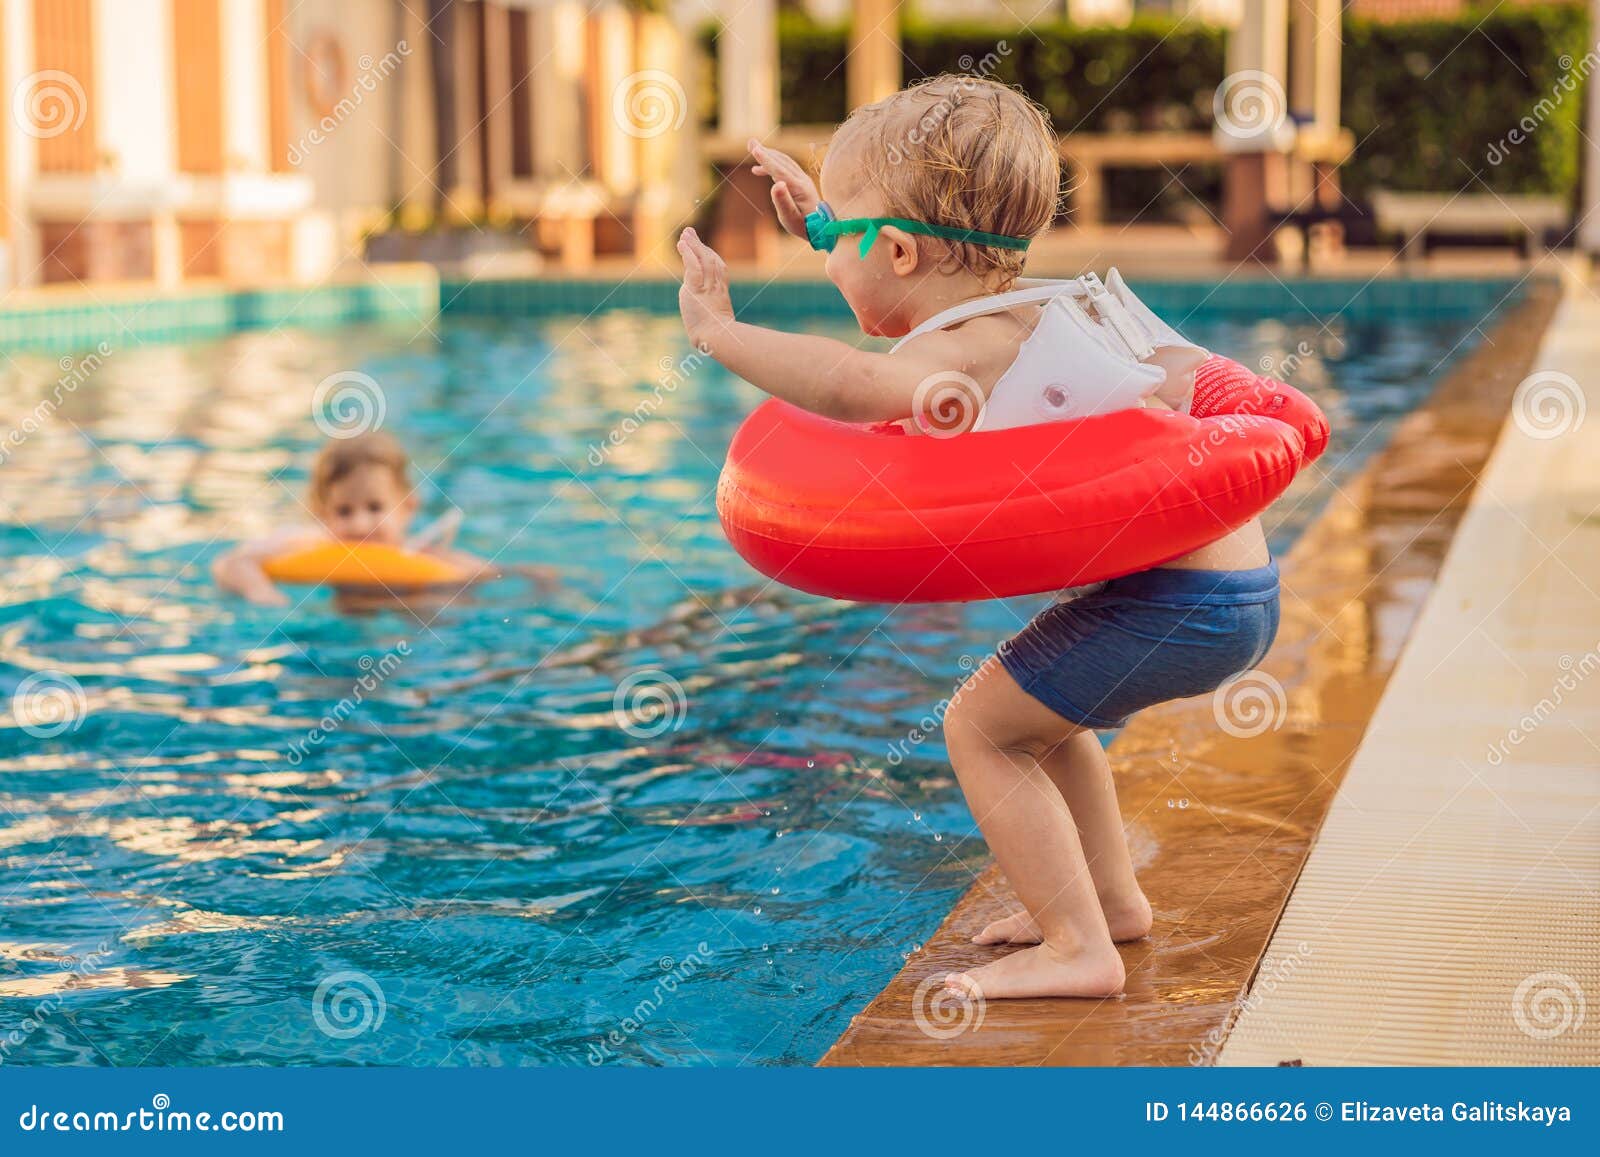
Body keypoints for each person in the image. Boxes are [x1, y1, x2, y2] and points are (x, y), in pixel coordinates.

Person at [677, 76, 1281, 999]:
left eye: (836, 239)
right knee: (1040, 718)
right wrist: (823, 223)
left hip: (1180, 604)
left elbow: (844, 383)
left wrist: (720, 333)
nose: (826, 254)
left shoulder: (959, 353)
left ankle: (1079, 947)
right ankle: (1111, 904)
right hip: (1229, 584)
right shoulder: (1028, 309)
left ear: (905, 251)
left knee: (978, 726)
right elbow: (887, 307)